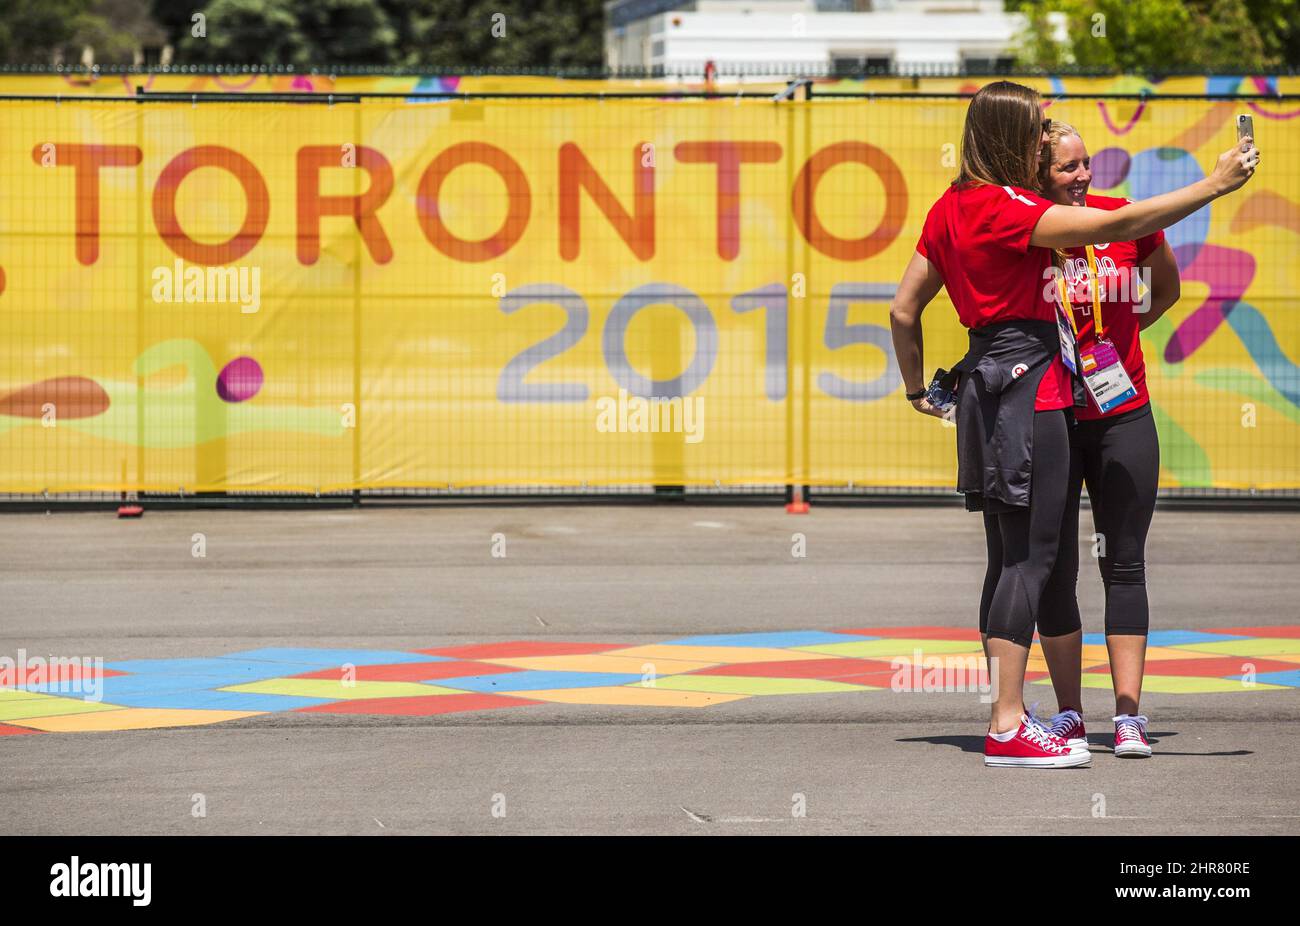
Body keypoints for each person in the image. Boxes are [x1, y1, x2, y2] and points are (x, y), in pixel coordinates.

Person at [889, 81, 1259, 768]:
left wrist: (918, 390)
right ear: (1012, 142)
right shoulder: (1010, 207)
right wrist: (1213, 185)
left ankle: (1015, 714)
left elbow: (903, 311)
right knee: (1033, 559)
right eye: (1036, 136)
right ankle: (1008, 722)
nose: (1046, 148)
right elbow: (1114, 227)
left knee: (1009, 559)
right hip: (1033, 383)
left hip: (985, 383)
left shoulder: (949, 207)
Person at [1028, 121, 1183, 758]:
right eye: (1068, 168)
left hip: (1123, 412)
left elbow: (1166, 289)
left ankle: (1127, 718)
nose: (1084, 176)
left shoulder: (1125, 219)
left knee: (1123, 560)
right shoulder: (1025, 229)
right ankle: (1068, 714)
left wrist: (1115, 340)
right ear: (1039, 175)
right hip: (1053, 416)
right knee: (1055, 567)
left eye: (1087, 163)